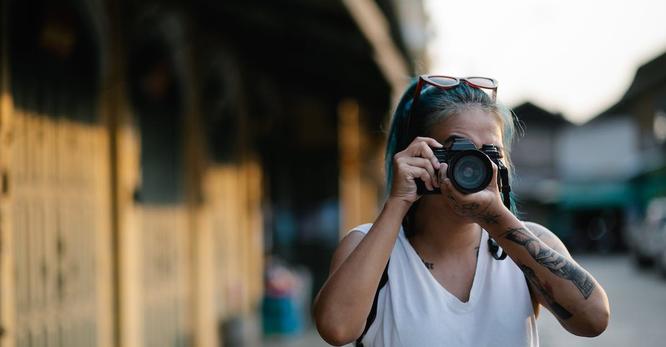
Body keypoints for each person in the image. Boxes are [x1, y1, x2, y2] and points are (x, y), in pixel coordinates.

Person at [313, 76, 610, 346]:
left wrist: (496, 218)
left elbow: (594, 320)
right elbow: (337, 329)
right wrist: (397, 201)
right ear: (419, 154)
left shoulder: (529, 244)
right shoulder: (369, 247)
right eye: (458, 150)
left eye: (490, 152)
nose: (475, 164)